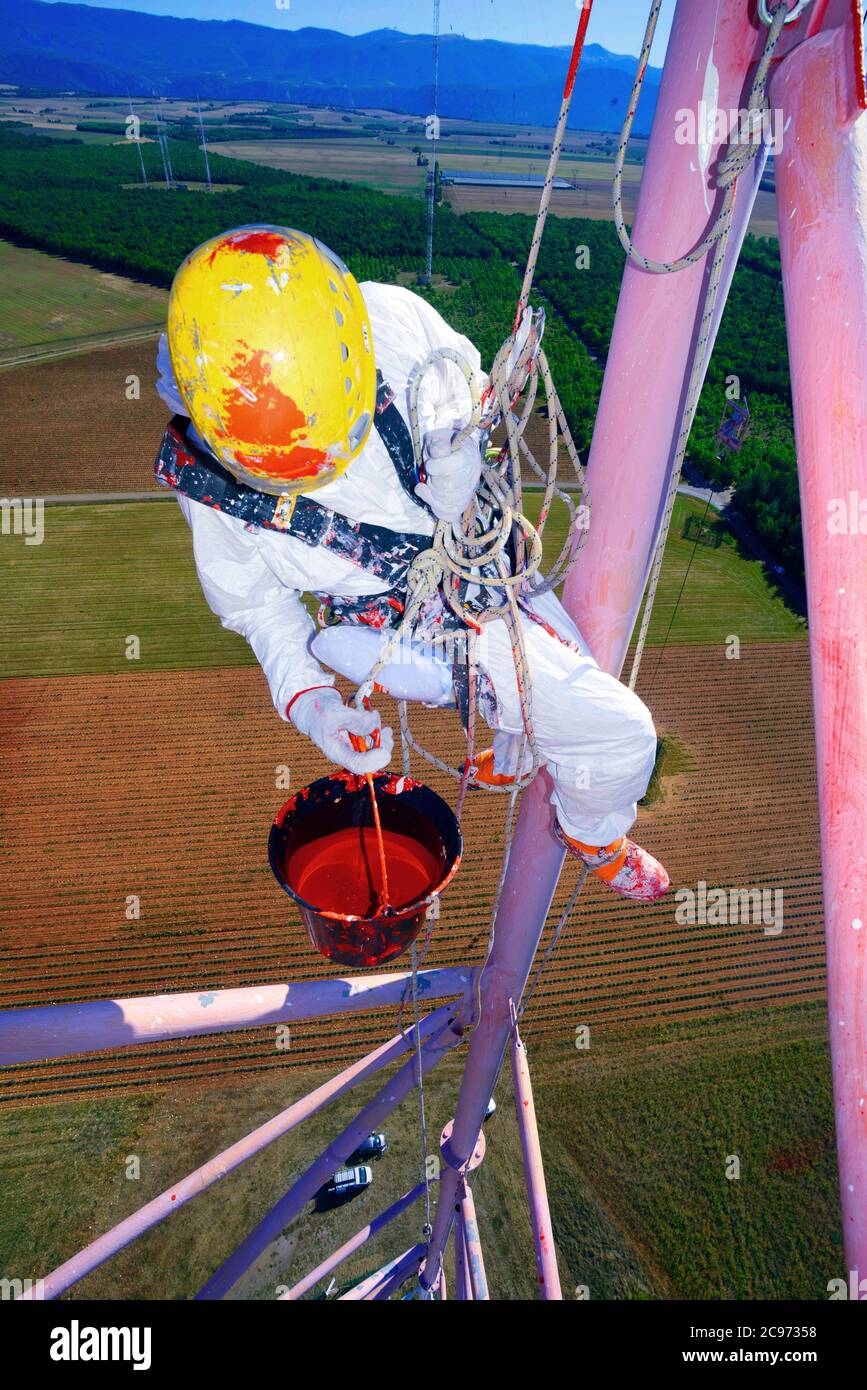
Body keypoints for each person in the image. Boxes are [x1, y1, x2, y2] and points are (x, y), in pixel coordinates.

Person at [154, 224, 669, 902]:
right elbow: (258, 606)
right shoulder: (212, 481)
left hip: (476, 551)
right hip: (397, 614)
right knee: (620, 736)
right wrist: (316, 708)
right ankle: (594, 831)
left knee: (566, 682)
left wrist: (458, 460)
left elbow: (470, 395)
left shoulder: (393, 326)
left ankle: (520, 747)